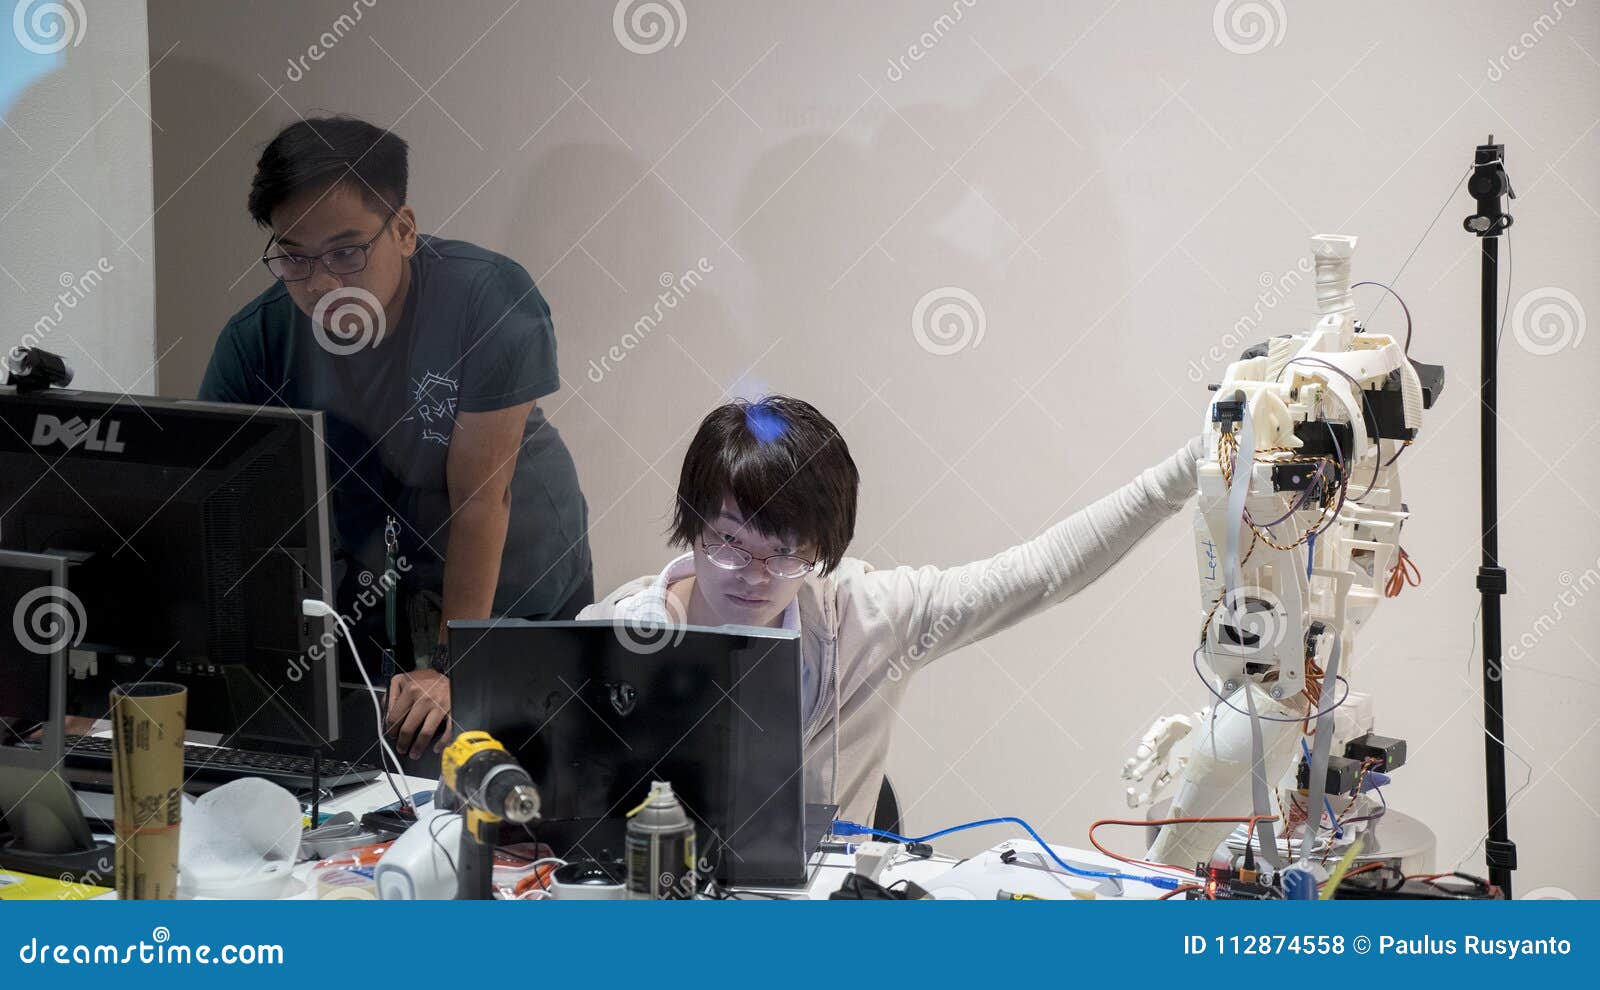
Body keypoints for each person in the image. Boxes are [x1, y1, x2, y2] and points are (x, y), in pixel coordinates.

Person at [579, 395, 1202, 827]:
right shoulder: (613, 638)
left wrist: (1183, 474)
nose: (753, 575)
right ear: (691, 528)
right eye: (729, 542)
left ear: (824, 550)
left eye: (786, 553)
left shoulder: (864, 618)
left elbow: (1037, 573)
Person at [199, 116, 592, 762]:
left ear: (403, 231)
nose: (321, 282)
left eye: (347, 252)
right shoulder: (257, 341)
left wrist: (450, 664)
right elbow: (212, 505)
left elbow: (479, 502)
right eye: (293, 256)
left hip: (517, 579)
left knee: (521, 795)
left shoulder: (486, 301)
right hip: (377, 595)